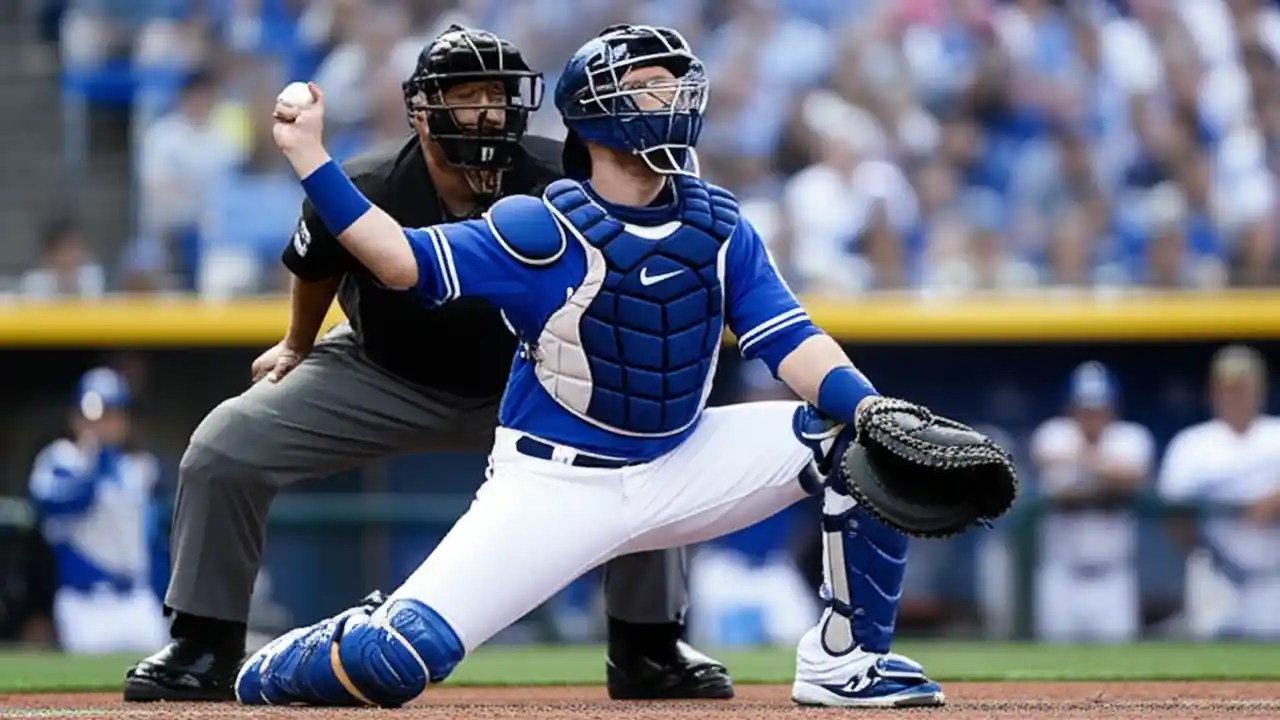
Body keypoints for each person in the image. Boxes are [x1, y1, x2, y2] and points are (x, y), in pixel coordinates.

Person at [237, 24, 944, 709]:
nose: (670, 100)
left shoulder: (720, 223)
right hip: (556, 482)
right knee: (391, 663)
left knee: (860, 441)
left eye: (675, 85)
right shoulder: (541, 224)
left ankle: (847, 664)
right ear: (595, 114)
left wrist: (870, 406)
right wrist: (310, 157)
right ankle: (304, 653)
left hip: (682, 458)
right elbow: (397, 263)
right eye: (646, 88)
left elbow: (788, 337)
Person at [123, 26, 730, 703]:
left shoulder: (564, 172)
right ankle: (203, 644)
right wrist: (297, 342)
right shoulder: (367, 181)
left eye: (497, 96)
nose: (488, 112)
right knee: (222, 449)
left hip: (533, 382)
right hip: (387, 370)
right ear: (422, 110)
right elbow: (316, 262)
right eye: (467, 96)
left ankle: (648, 648)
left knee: (638, 448)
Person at [28, 368, 166, 654]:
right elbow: (55, 504)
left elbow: (153, 541)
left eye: (112, 415)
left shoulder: (140, 469)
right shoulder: (60, 459)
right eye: (96, 415)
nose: (105, 424)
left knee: (161, 682)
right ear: (75, 417)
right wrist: (95, 460)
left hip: (136, 600)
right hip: (85, 602)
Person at [1158, 345, 1280, 639]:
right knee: (1208, 661)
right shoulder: (1192, 444)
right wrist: (1202, 551)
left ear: (1260, 391)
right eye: (1227, 388)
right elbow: (1172, 512)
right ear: (1212, 392)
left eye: (1243, 388)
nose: (1235, 397)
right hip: (1215, 572)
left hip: (1274, 574)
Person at [1030, 362, 1154, 642]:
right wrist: (1103, 472)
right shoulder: (1054, 433)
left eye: (1099, 408)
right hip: (1061, 575)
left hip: (1113, 577)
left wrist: (1083, 464)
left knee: (1121, 666)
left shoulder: (1130, 438)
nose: (1092, 416)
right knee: (1051, 665)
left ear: (1113, 408)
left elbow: (1133, 476)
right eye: (1084, 407)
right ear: (1070, 408)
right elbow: (1043, 456)